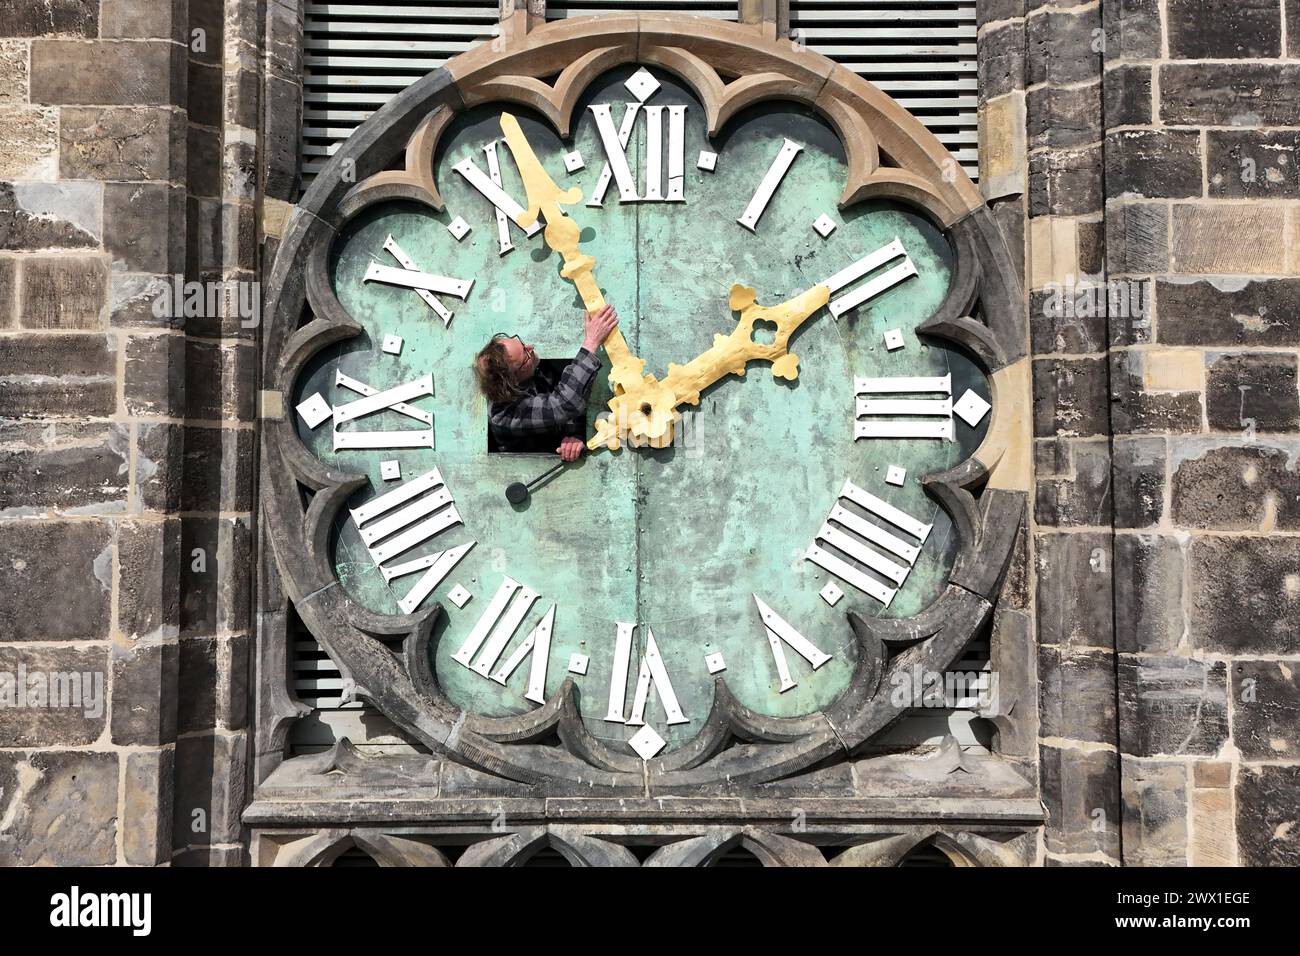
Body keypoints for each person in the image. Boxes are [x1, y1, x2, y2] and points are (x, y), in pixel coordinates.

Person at [474, 304, 620, 461]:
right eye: (525, 355)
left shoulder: (535, 371)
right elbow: (564, 404)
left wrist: (573, 434)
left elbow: (570, 391)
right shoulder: (504, 414)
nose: (531, 347)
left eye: (522, 343)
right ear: (512, 381)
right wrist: (591, 342)